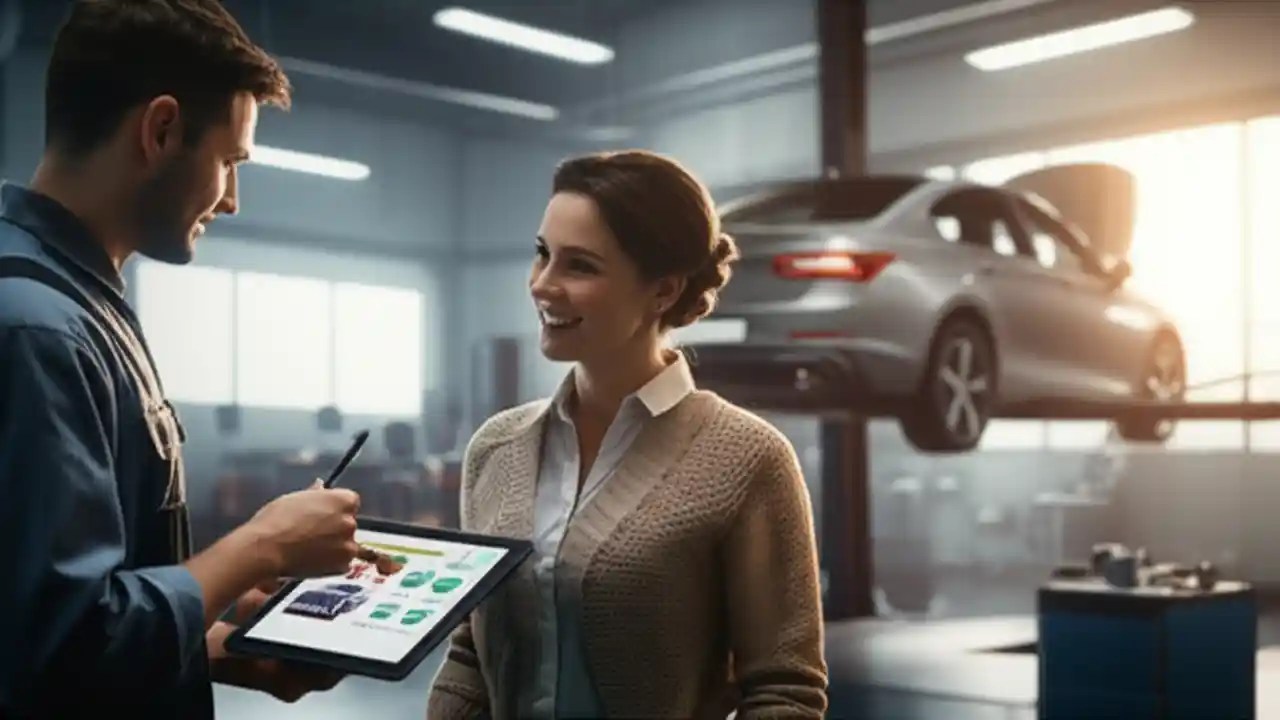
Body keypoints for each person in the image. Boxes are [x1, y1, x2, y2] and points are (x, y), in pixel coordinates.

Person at [0, 1, 371, 716]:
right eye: (230, 162)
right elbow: (63, 651)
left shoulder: (76, 302)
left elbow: (41, 623)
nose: (232, 201)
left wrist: (226, 647)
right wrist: (262, 545)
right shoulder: (39, 330)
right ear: (161, 130)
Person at [427, 150, 829, 719]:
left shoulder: (748, 460)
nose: (543, 285)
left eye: (580, 266)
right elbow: (470, 655)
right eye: (542, 254)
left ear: (663, 291)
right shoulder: (497, 449)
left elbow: (786, 692)